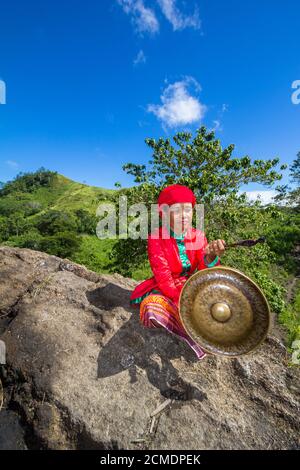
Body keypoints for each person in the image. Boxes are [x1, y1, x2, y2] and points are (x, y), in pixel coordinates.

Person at [130, 184, 226, 360]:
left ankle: (194, 325)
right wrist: (183, 301)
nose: (184, 216)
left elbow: (203, 271)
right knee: (151, 309)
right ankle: (194, 331)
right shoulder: (156, 238)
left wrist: (210, 256)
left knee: (222, 301)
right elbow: (163, 276)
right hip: (168, 289)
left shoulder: (199, 236)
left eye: (188, 210)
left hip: (191, 286)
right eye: (176, 210)